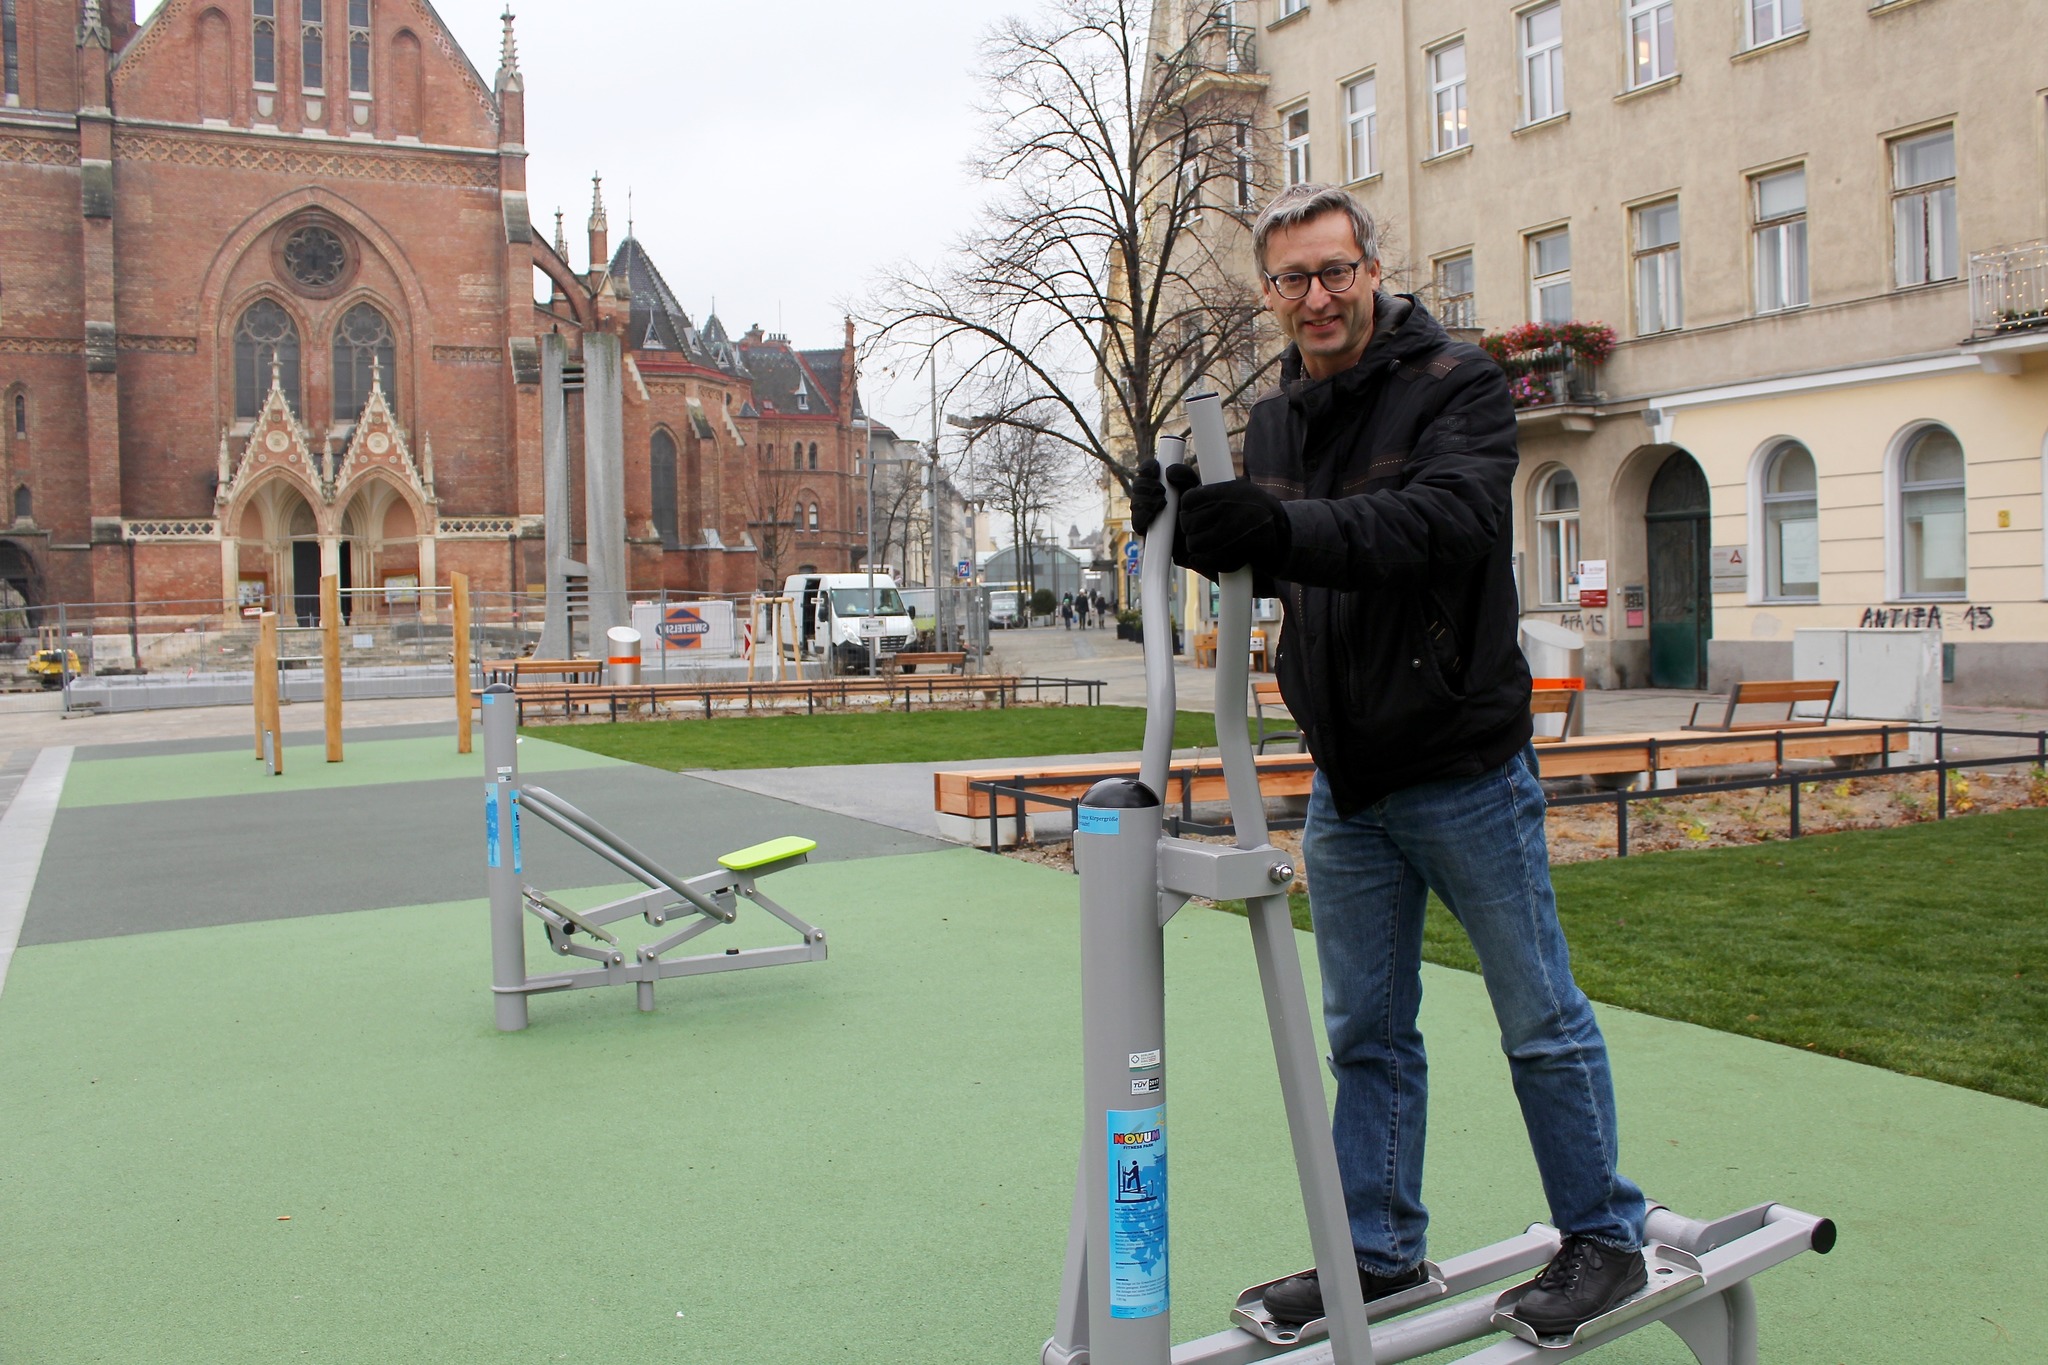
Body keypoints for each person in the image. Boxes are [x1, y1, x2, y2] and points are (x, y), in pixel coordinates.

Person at [1128, 183, 1646, 1338]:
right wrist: (1181, 522)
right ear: (1268, 294)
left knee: (1537, 1017)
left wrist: (1275, 528)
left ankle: (1605, 1238)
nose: (1315, 297)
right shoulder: (1275, 419)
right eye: (1291, 280)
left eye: (1334, 271)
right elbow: (1275, 555)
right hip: (1348, 780)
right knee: (1364, 1032)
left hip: (1461, 764)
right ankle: (1376, 1253)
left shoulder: (1455, 384)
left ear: (1371, 270)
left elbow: (1437, 525)